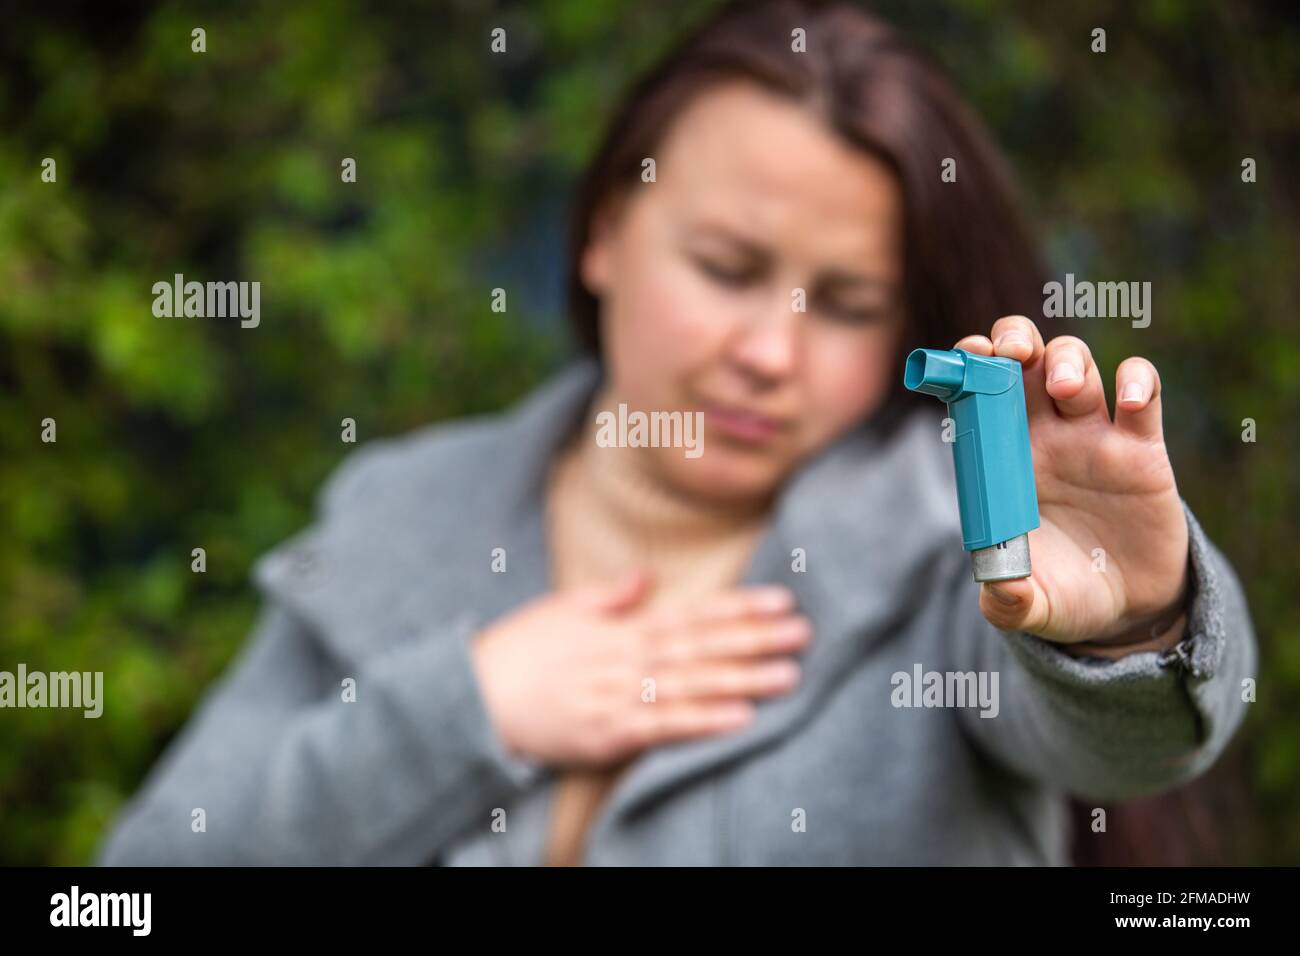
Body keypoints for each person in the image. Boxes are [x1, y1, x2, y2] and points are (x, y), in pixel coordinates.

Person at [97, 0, 1256, 866]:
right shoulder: (398, 513)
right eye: (725, 268)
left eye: (847, 306)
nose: (768, 350)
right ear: (605, 231)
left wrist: (1130, 627)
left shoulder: (952, 548)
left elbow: (1125, 744)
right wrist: (469, 710)